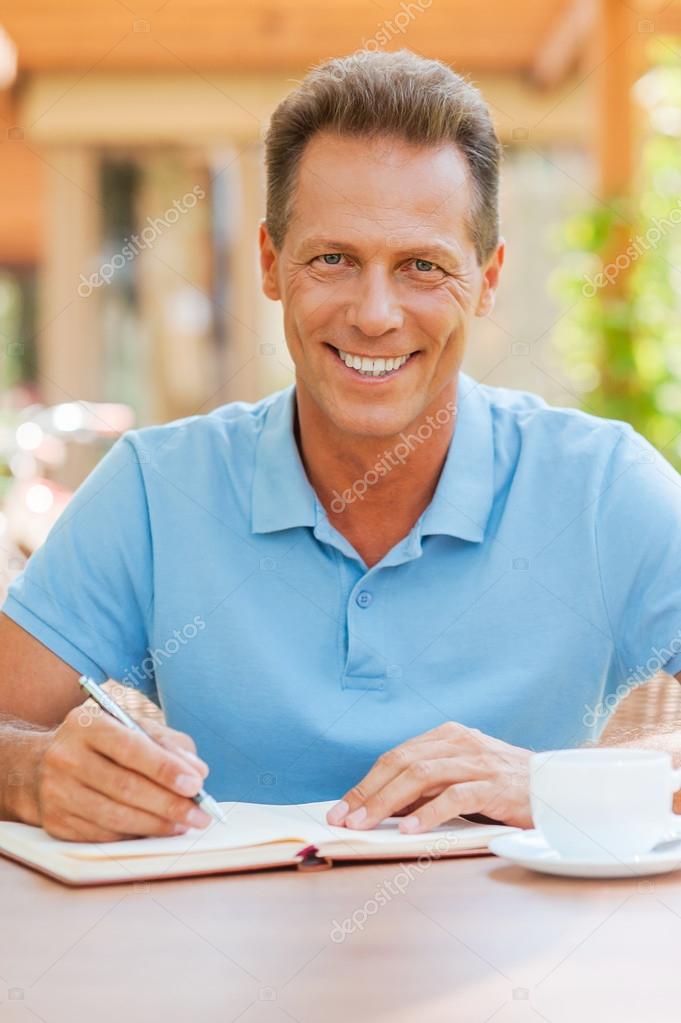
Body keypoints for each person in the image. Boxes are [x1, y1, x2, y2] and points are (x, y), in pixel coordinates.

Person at [2, 48, 681, 844]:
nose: (374, 314)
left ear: (488, 279)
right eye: (333, 259)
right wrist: (31, 772)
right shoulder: (156, 488)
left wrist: (554, 781)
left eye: (422, 266)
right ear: (270, 264)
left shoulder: (598, 485)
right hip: (219, 927)